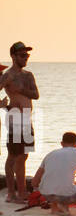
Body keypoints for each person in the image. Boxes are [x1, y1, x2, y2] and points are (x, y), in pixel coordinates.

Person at [1, 41, 39, 203]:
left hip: (27, 120)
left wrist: (20, 90)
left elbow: (36, 95)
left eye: (27, 55)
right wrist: (3, 105)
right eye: (22, 55)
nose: (25, 58)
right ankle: (11, 193)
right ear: (13, 56)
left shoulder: (28, 75)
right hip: (15, 119)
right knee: (13, 157)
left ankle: (22, 192)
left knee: (24, 156)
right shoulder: (8, 75)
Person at [32, 132, 76, 215]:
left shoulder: (50, 154)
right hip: (65, 194)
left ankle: (55, 206)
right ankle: (63, 204)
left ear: (62, 143)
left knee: (61, 188)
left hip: (47, 194)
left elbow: (34, 182)